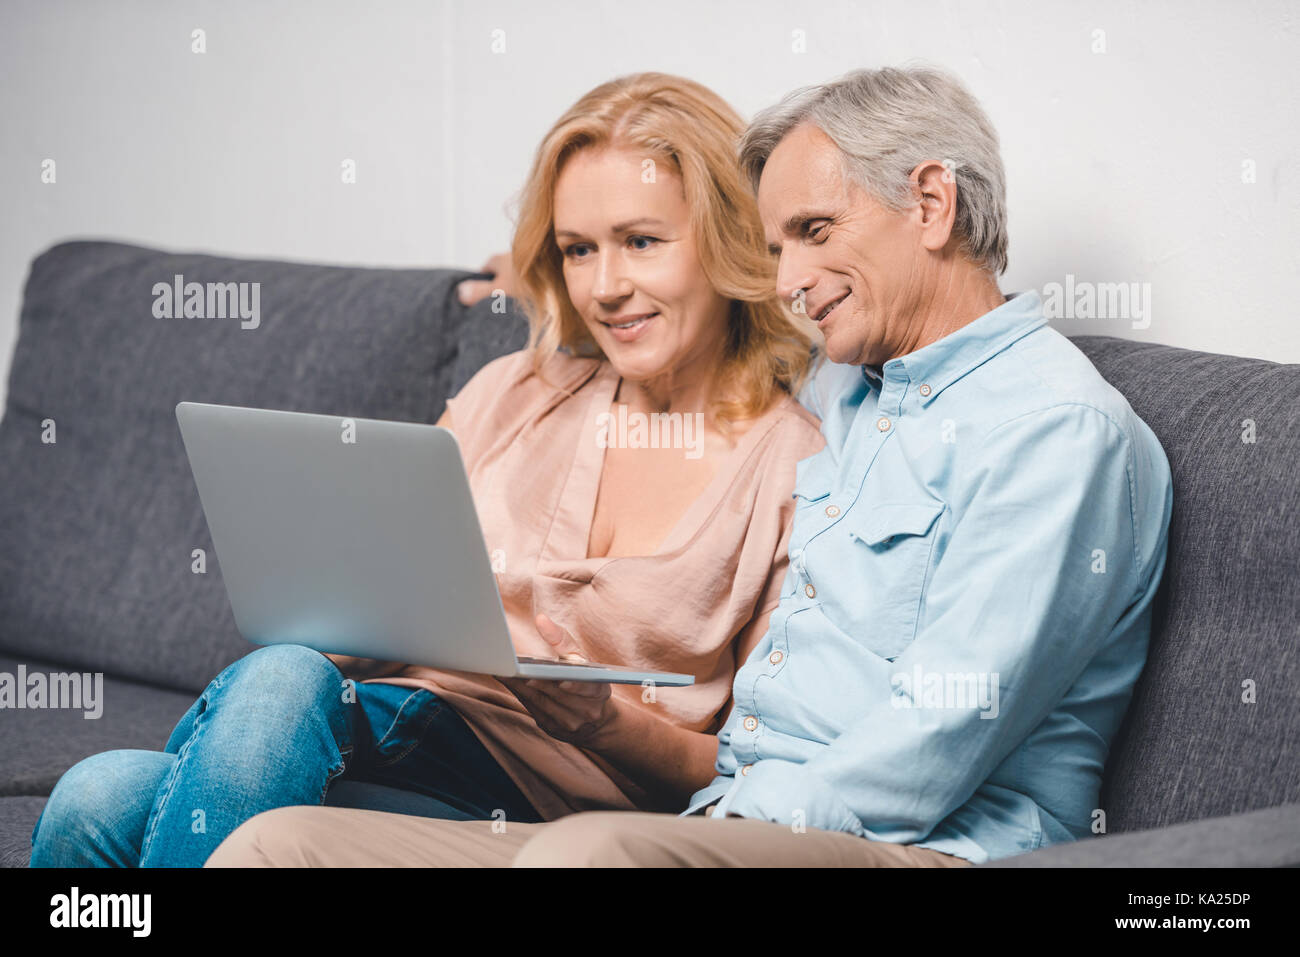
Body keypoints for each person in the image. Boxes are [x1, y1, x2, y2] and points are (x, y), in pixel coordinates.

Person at [206, 64, 1173, 869]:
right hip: (722, 811)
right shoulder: (855, 385)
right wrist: (552, 273)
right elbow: (683, 322)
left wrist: (716, 827)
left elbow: (930, 748)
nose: (787, 280)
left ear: (929, 202)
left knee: (581, 859)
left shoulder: (1055, 433)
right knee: (278, 847)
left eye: (814, 232)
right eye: (773, 244)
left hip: (914, 840)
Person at [28, 72, 825, 868]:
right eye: (578, 250)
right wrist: (347, 623)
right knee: (106, 783)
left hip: (541, 804)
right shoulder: (516, 390)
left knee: (125, 785)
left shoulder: (793, 466)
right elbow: (371, 593)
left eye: (641, 241)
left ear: (726, 239)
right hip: (385, 732)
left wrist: (595, 718)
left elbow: (747, 764)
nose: (605, 287)